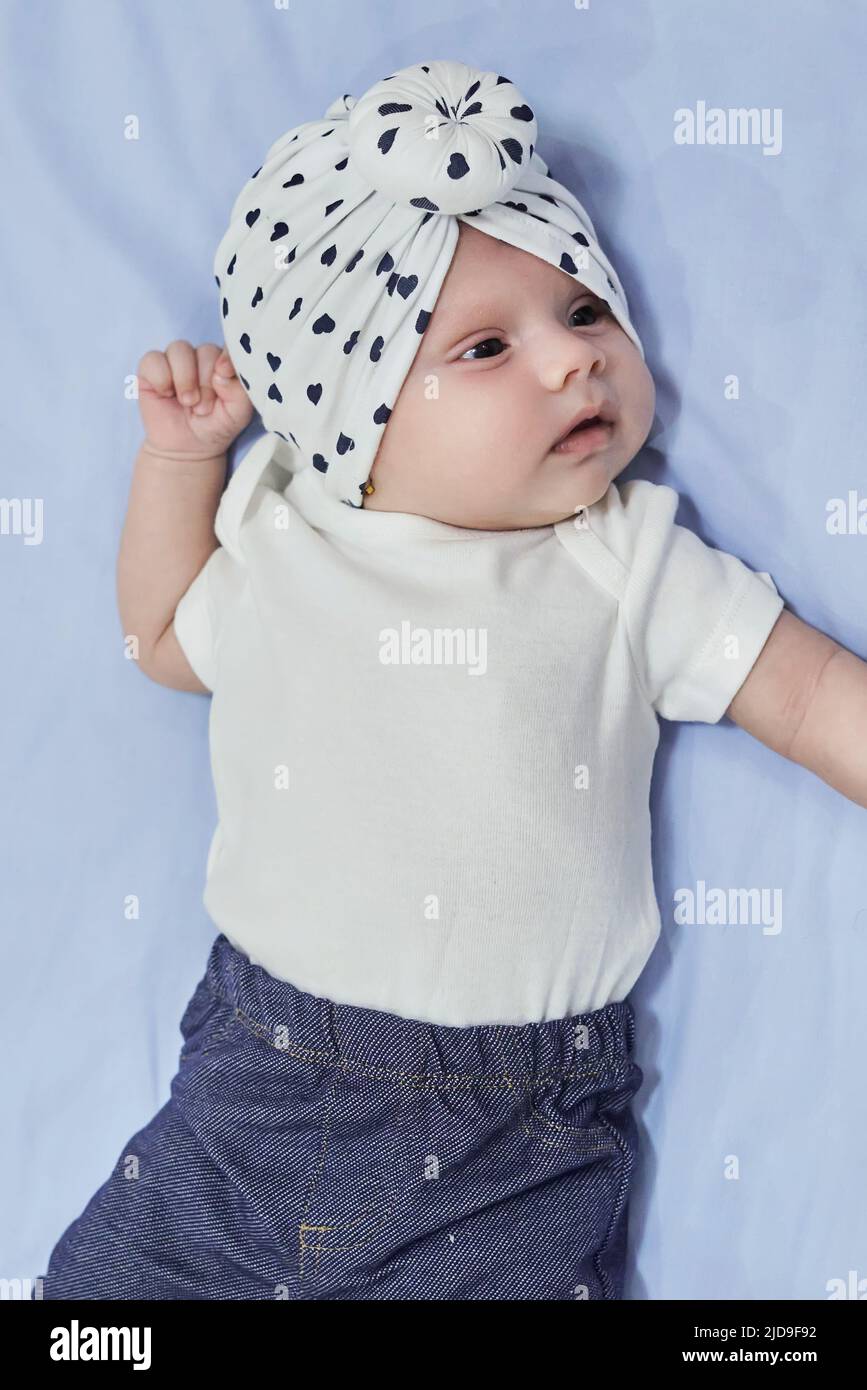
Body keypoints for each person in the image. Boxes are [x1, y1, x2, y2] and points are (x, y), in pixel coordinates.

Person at [41, 58, 867, 1301]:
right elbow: (159, 638)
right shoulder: (285, 530)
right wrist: (182, 464)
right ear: (356, 428)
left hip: (508, 1145)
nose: (573, 361)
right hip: (254, 1091)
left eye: (586, 311)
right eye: (486, 346)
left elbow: (803, 697)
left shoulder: (625, 561)